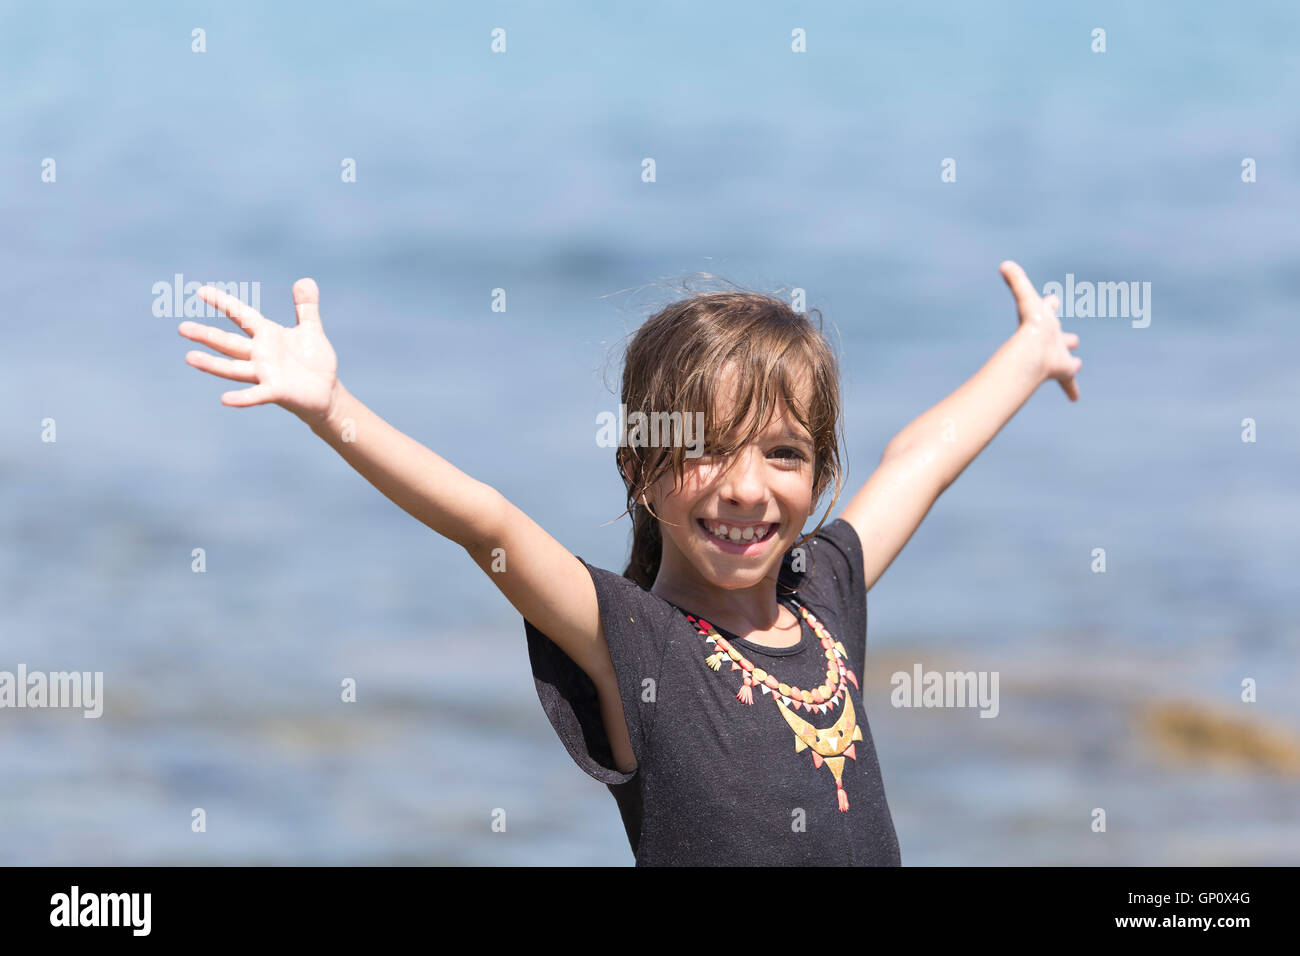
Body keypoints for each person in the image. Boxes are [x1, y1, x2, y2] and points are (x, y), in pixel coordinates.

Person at [178, 261, 1081, 866]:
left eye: (784, 454)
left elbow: (921, 457)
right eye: (706, 450)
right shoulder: (640, 644)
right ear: (639, 472)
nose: (745, 489)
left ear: (822, 476)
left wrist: (1030, 352)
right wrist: (333, 409)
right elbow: (483, 521)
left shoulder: (826, 596)